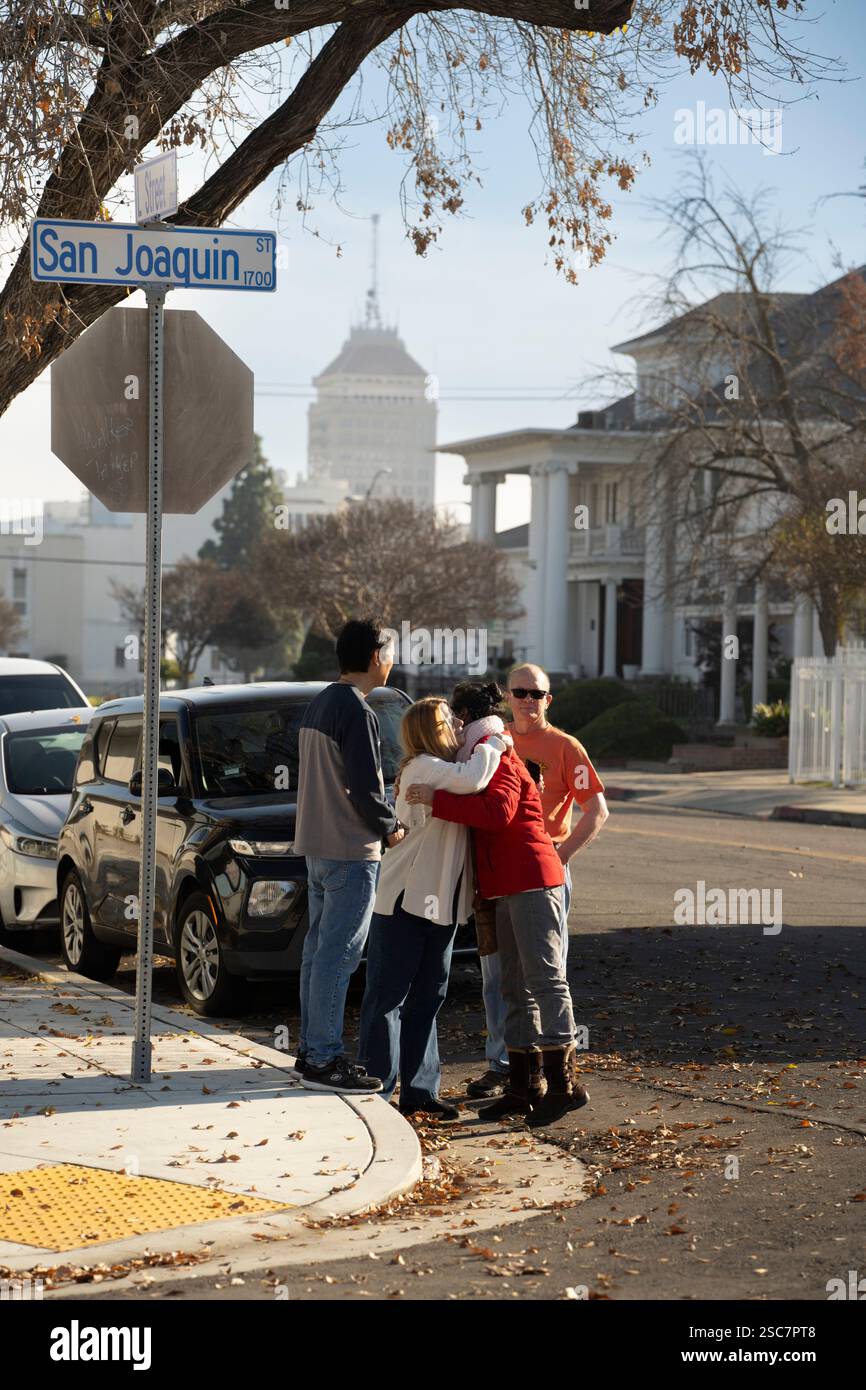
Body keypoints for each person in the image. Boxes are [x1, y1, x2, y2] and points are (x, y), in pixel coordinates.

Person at [406, 680, 590, 1126]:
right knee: (513, 988)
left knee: (545, 981)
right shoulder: (478, 758)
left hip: (531, 878)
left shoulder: (499, 754)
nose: (451, 725)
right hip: (503, 887)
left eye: (454, 717)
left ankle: (564, 1085)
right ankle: (525, 1087)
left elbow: (498, 813)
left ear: (466, 719)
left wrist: (438, 799)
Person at [358, 694, 510, 1118]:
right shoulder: (424, 766)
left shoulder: (434, 769)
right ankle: (376, 1089)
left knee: (428, 997)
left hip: (438, 904)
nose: (461, 726)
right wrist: (495, 740)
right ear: (432, 731)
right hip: (405, 901)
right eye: (451, 721)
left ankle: (419, 1093)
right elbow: (474, 779)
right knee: (388, 997)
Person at [467, 664, 609, 1099]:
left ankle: (558, 1080)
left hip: (544, 872)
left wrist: (559, 855)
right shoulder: (494, 739)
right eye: (520, 692)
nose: (528, 700)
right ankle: (508, 1068)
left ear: (549, 700)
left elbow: (597, 810)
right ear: (507, 696)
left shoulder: (565, 747)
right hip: (499, 874)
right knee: (500, 979)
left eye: (537, 693)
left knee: (545, 975)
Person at [293, 617, 406, 1094]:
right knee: (339, 956)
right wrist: (391, 826)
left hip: (316, 846)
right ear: (377, 656)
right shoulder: (358, 711)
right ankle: (324, 1058)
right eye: (392, 652)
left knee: (318, 952)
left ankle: (310, 1051)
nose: (394, 662)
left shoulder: (320, 702)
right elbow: (363, 788)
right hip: (350, 850)